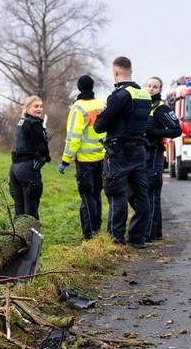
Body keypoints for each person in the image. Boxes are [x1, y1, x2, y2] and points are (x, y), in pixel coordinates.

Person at [93, 56, 152, 248]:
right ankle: (138, 238)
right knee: (141, 195)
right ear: (131, 71)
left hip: (119, 152)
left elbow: (100, 126)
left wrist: (101, 116)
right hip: (139, 151)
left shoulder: (119, 96)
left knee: (116, 194)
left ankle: (115, 239)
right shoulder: (144, 94)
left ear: (115, 72)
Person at [58, 75, 106, 240]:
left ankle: (90, 233)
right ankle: (97, 228)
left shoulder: (78, 108)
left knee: (87, 195)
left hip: (85, 160)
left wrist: (66, 160)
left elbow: (73, 137)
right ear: (92, 87)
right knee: (97, 193)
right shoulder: (101, 105)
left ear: (79, 88)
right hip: (101, 157)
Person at [143, 76, 182, 240]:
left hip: (154, 154)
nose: (151, 89)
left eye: (155, 87)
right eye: (149, 86)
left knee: (152, 194)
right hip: (142, 154)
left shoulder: (161, 108)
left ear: (160, 90)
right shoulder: (143, 105)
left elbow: (176, 130)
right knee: (146, 194)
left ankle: (151, 233)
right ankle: (154, 232)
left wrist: (156, 132)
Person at [9, 95, 50, 219]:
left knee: (19, 210)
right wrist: (47, 157)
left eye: (41, 106)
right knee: (31, 211)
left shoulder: (21, 122)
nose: (39, 109)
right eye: (36, 106)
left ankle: (19, 237)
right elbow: (42, 148)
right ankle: (31, 238)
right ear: (27, 109)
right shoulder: (33, 123)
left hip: (14, 169)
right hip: (27, 169)